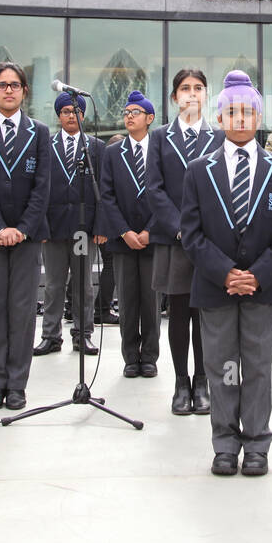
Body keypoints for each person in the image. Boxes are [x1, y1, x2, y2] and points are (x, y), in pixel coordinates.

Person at [181, 71, 272, 477]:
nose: (241, 119)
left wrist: (258, 274)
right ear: (220, 118)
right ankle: (225, 443)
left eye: (249, 111)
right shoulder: (199, 169)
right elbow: (191, 233)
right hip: (216, 286)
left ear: (258, 117)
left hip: (262, 288)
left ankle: (257, 443)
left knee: (257, 365)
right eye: (232, 111)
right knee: (221, 365)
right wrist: (227, 272)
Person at [0, 62, 51, 412]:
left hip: (27, 238)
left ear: (24, 91)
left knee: (21, 312)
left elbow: (42, 187)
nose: (8, 90)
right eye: (2, 85)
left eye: (15, 85)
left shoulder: (39, 132)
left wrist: (22, 228)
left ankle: (17, 384)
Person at [147, 69, 224, 415]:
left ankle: (202, 381)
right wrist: (180, 227)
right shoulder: (160, 137)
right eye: (185, 89)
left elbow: (225, 187)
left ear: (206, 95)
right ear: (175, 97)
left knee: (205, 314)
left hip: (210, 241)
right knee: (178, 312)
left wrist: (204, 229)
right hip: (174, 239)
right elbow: (155, 188)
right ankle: (180, 383)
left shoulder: (220, 136)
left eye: (198, 88)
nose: (192, 94)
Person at [36, 91, 106, 357]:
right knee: (53, 284)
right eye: (65, 112)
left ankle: (82, 333)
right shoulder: (46, 145)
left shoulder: (95, 148)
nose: (71, 116)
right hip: (53, 228)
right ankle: (50, 335)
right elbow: (39, 189)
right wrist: (39, 224)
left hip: (82, 228)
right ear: (58, 116)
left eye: (76, 111)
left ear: (83, 116)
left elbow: (103, 191)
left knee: (83, 284)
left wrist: (99, 227)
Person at [98, 91, 160, 378]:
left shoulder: (161, 150)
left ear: (150, 118)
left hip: (152, 239)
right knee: (127, 300)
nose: (129, 116)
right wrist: (124, 231)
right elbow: (106, 196)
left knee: (150, 301)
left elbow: (168, 194)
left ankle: (149, 356)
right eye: (126, 112)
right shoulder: (112, 152)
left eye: (136, 111)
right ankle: (129, 357)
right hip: (122, 240)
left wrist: (149, 230)